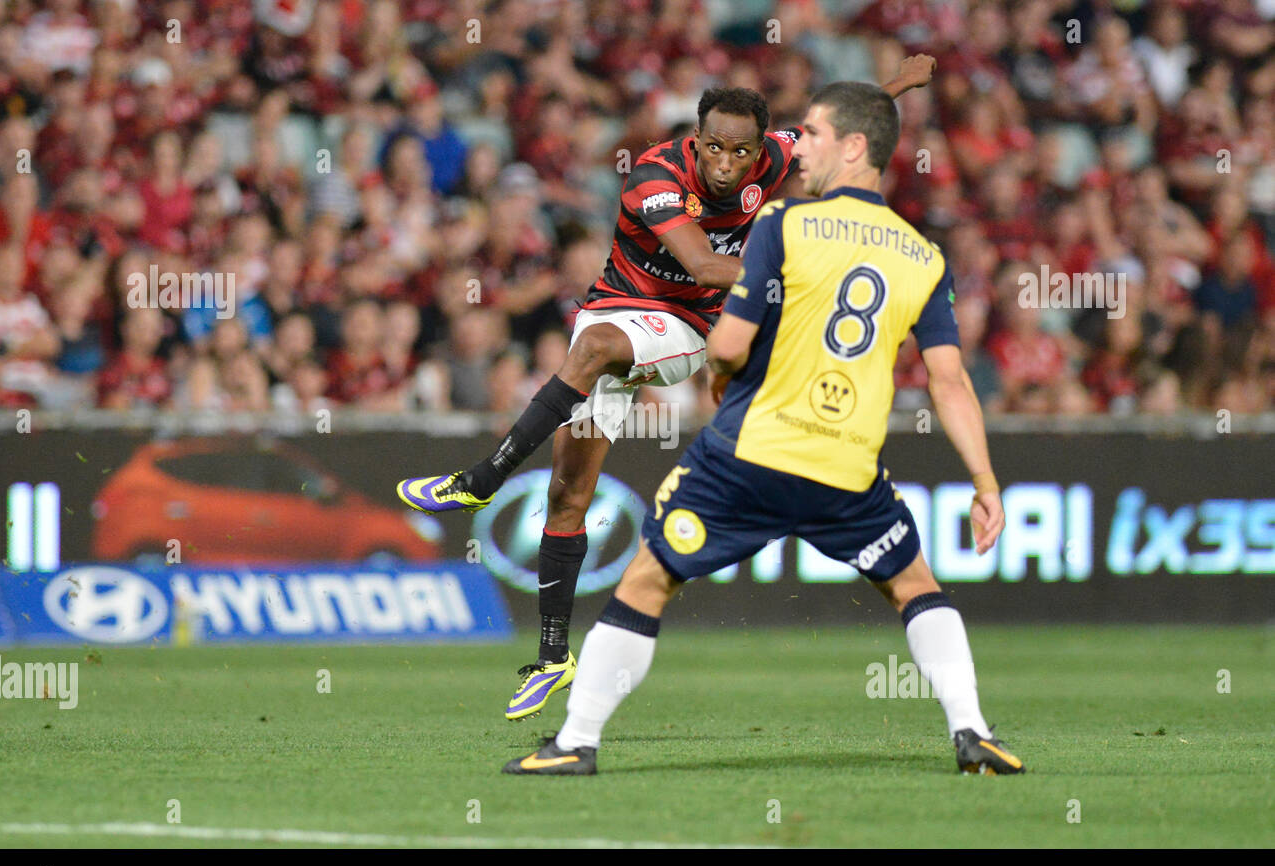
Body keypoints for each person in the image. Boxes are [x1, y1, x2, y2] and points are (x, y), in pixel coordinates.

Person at [504, 80, 1025, 776]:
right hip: (846, 465)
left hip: (750, 450)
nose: (796, 147)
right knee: (914, 585)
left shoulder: (786, 225)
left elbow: (724, 346)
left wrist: (721, 378)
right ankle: (971, 730)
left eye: (810, 134)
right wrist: (985, 482)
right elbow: (950, 381)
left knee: (648, 581)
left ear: (852, 146)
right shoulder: (922, 257)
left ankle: (576, 742)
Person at [398, 56, 938, 721]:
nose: (725, 162)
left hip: (685, 327)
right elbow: (704, 262)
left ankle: (483, 476)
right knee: (569, 490)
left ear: (759, 147)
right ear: (696, 138)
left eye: (741, 150)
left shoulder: (774, 155)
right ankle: (551, 657)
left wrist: (898, 85)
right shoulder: (656, 176)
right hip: (615, 309)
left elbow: (842, 128)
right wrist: (804, 265)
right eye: (713, 145)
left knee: (594, 350)